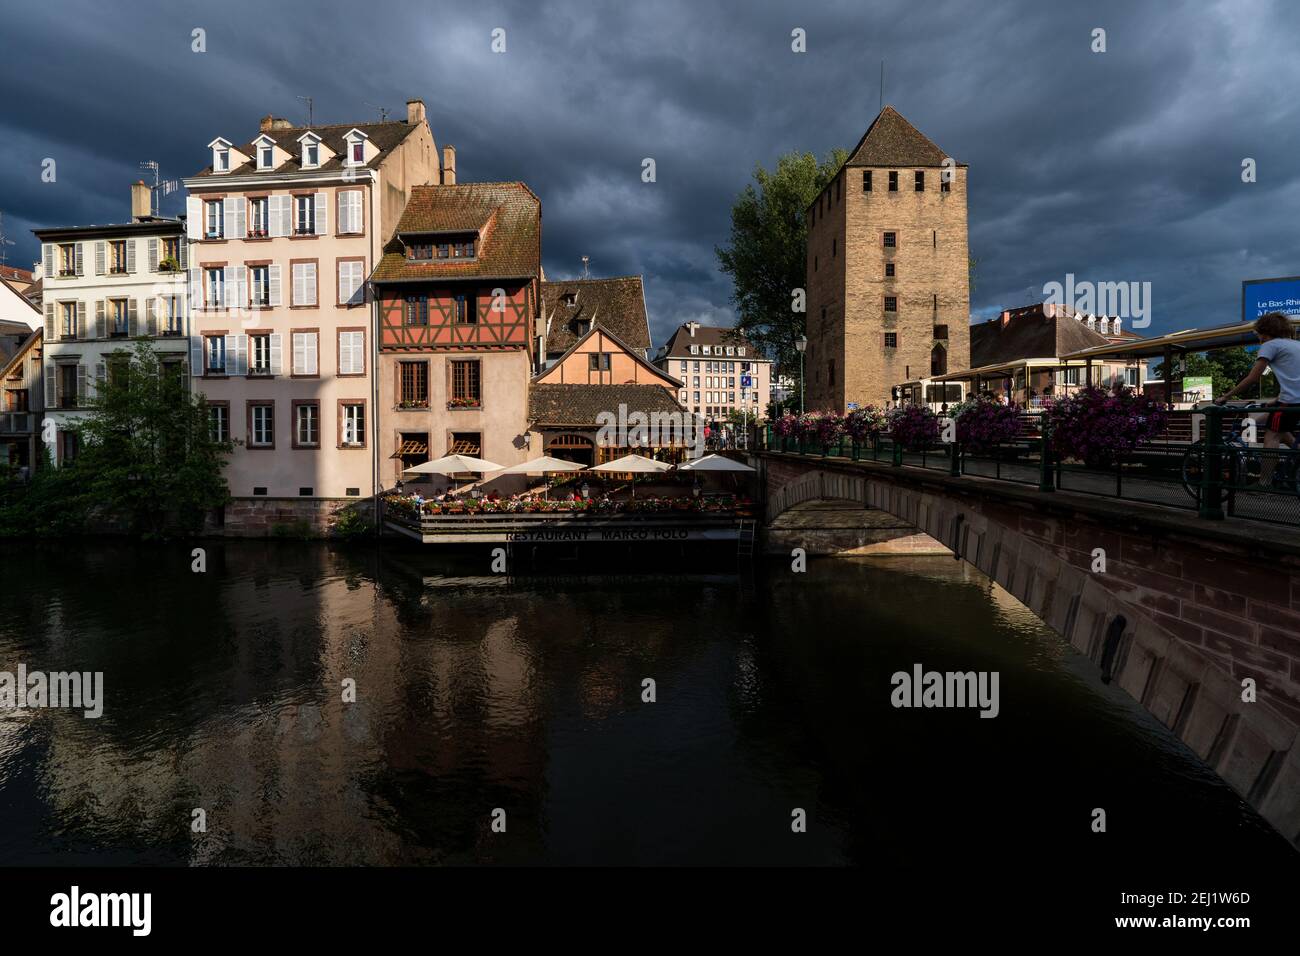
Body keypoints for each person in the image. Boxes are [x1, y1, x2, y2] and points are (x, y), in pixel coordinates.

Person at [1216, 311, 1300, 486]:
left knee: (1272, 435)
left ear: (1264, 331)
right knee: (1264, 421)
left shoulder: (1270, 345)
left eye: (1259, 334)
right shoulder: (1295, 344)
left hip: (1291, 401)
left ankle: (1264, 482)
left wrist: (1225, 396)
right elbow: (1294, 377)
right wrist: (1276, 400)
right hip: (1290, 400)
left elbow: (1253, 378)